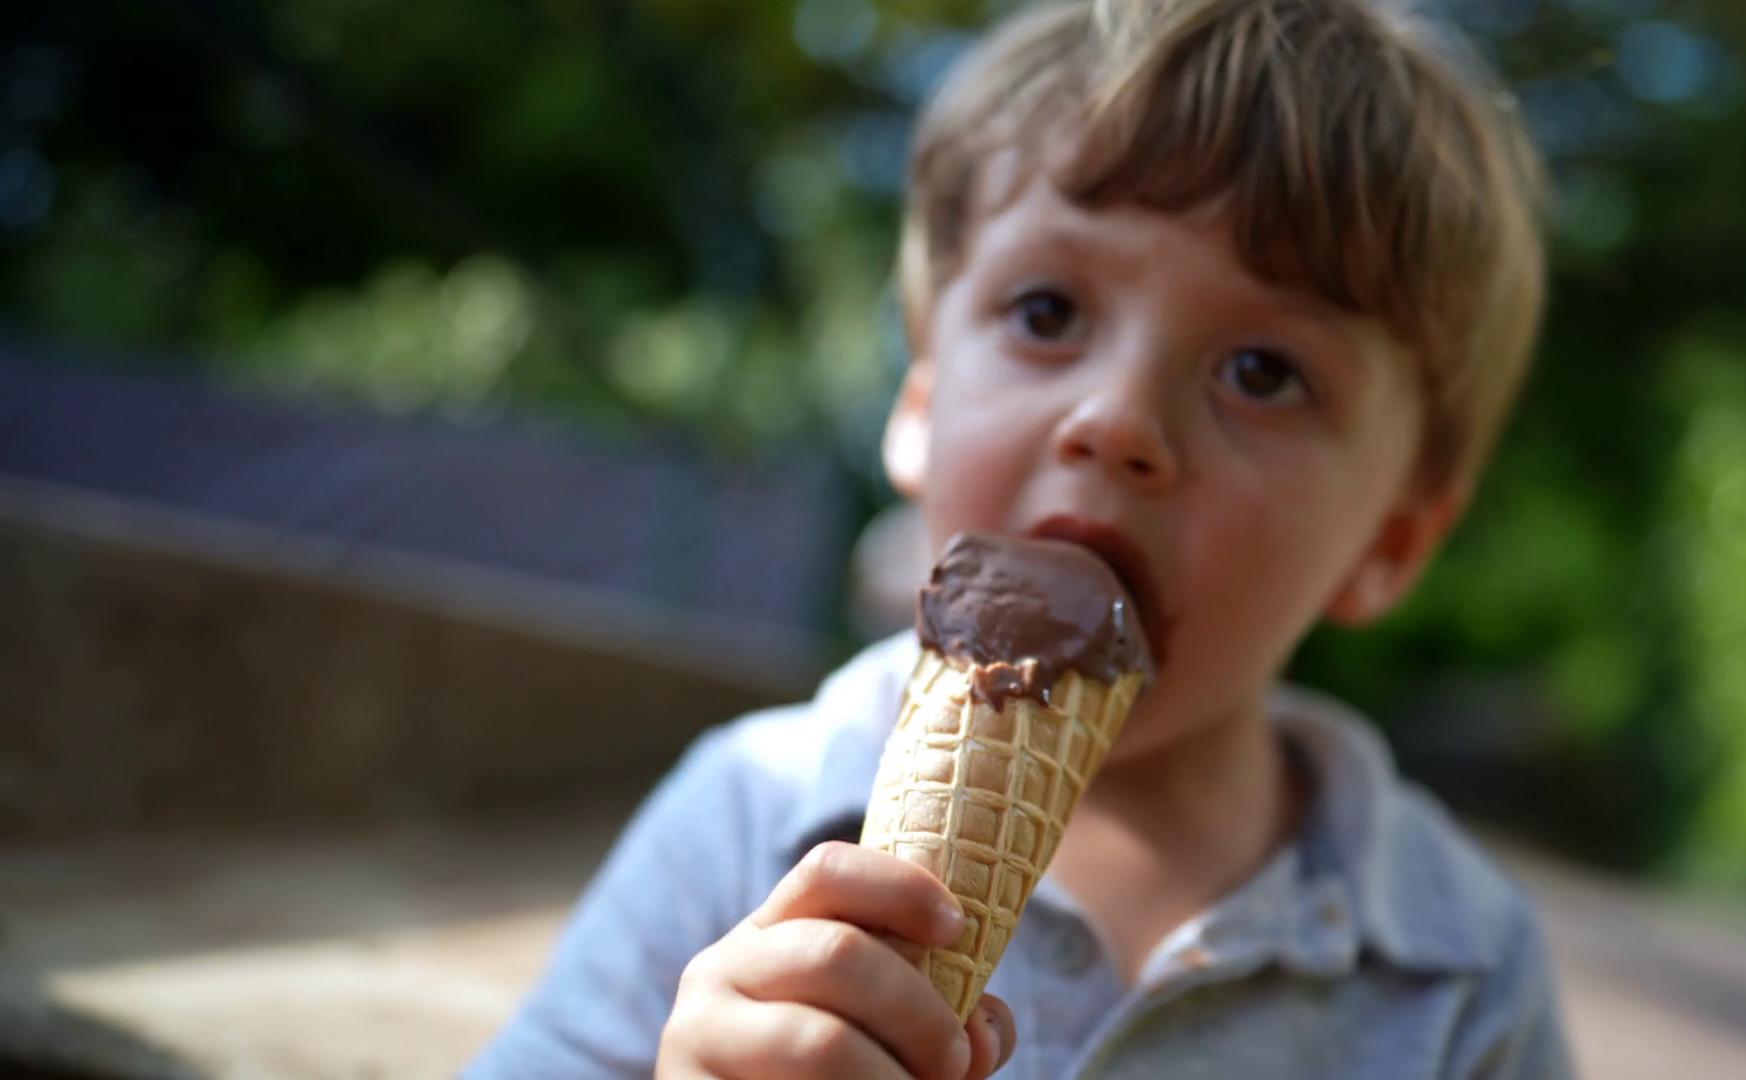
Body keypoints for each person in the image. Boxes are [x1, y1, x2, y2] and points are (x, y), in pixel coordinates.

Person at [468, 0, 1569, 1075]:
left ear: (1393, 540)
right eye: (1048, 313)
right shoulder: (751, 818)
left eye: (1263, 373)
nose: (1119, 421)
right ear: (919, 403)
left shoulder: (1462, 971)